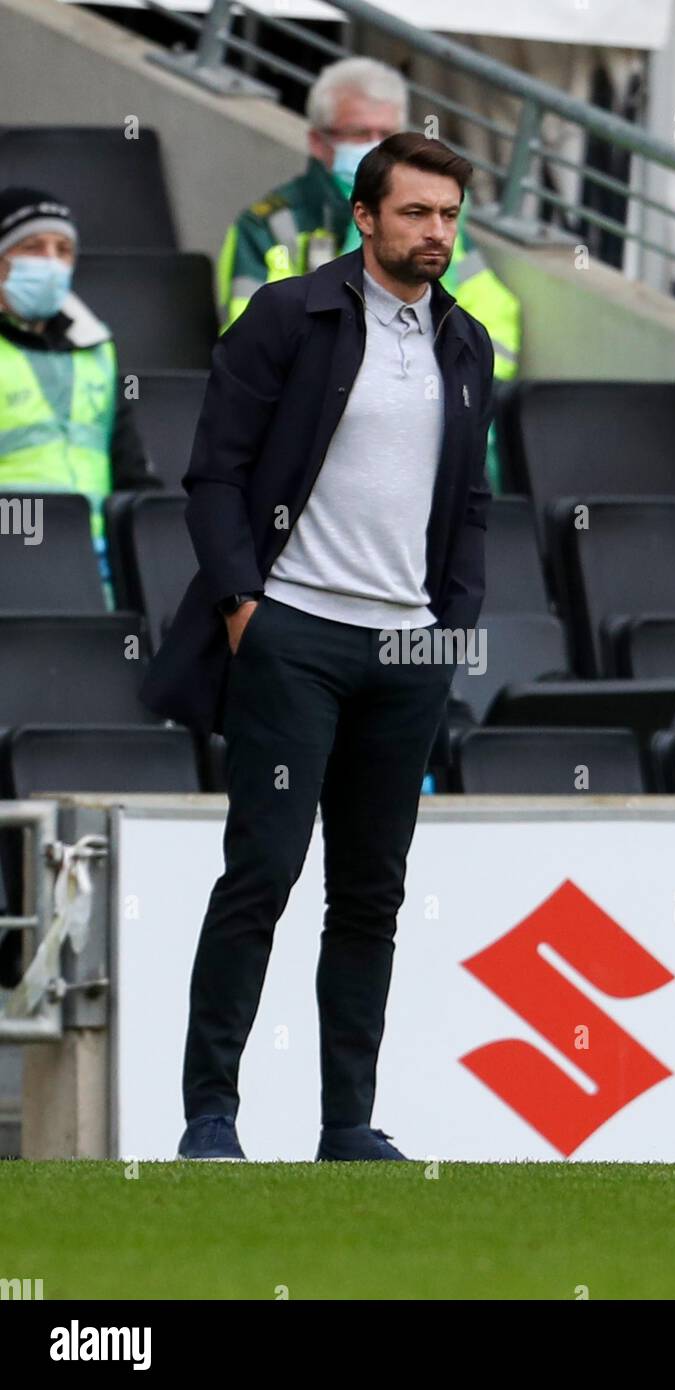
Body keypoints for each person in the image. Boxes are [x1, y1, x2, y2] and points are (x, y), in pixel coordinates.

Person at [139, 133, 494, 1162]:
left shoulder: (463, 342)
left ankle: (346, 1124)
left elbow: (470, 503)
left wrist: (450, 628)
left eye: (448, 215)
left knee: (370, 893)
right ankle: (212, 1115)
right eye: (416, 212)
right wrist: (248, 606)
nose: (435, 232)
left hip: (406, 652)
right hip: (292, 634)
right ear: (367, 217)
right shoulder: (290, 313)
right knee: (263, 870)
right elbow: (213, 476)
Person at [217, 55, 519, 492]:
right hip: (318, 454)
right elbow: (248, 341)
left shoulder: (437, 221)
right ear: (319, 142)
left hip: (438, 441)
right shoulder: (268, 225)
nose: (377, 147)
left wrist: (456, 379)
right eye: (361, 134)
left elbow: (495, 311)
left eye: (388, 135)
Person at [0, 188, 162, 605]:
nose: (51, 263)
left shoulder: (98, 350)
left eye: (64, 250)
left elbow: (132, 473)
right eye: (32, 248)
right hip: (11, 563)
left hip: (96, 569)